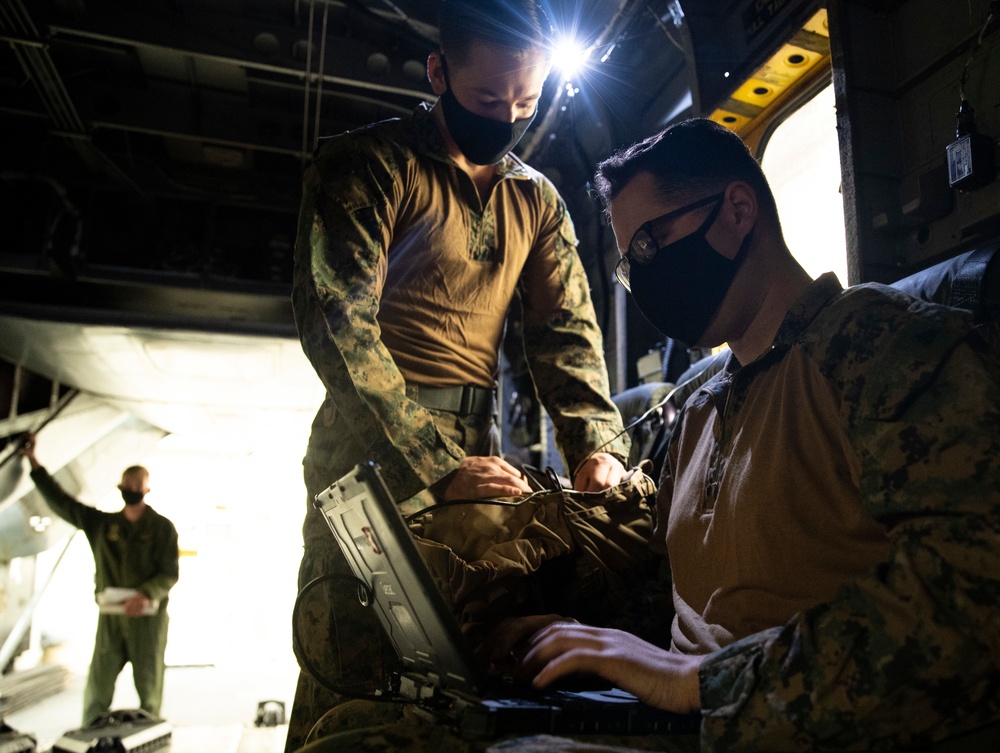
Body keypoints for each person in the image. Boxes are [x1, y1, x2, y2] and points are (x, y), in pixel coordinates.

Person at [292, 118, 1000, 752]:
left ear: (737, 211)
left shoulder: (882, 350)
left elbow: (971, 593)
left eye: (655, 242)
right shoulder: (699, 409)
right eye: (633, 262)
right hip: (672, 710)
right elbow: (662, 589)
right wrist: (531, 625)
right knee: (351, 727)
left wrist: (702, 680)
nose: (646, 275)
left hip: (767, 717)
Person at [287, 0, 631, 748]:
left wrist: (596, 448)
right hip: (370, 455)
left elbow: (564, 337)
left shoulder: (537, 201)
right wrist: (436, 464)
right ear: (439, 72)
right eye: (486, 100)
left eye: (527, 103)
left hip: (475, 458)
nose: (506, 117)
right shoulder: (367, 165)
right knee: (349, 666)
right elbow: (337, 323)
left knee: (452, 682)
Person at [20, 433, 179, 726]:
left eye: (137, 485)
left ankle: (151, 732)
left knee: (150, 682)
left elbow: (169, 573)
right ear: (120, 488)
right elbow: (63, 503)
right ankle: (90, 730)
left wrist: (145, 594)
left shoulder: (161, 529)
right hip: (112, 618)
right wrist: (34, 464)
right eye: (127, 485)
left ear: (146, 488)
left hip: (147, 620)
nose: (132, 490)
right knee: (99, 682)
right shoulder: (104, 527)